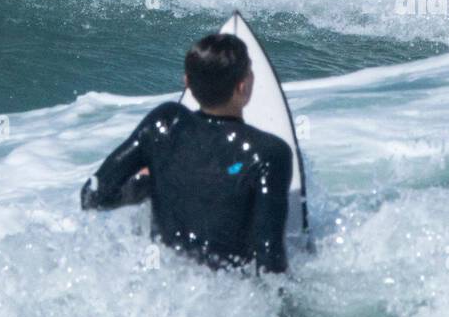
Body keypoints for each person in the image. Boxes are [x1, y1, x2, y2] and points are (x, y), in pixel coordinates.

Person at [81, 33, 292, 273]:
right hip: (231, 292)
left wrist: (148, 183)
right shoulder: (268, 152)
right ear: (243, 86)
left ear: (187, 83)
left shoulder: (164, 123)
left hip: (165, 282)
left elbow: (93, 196)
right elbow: (269, 254)